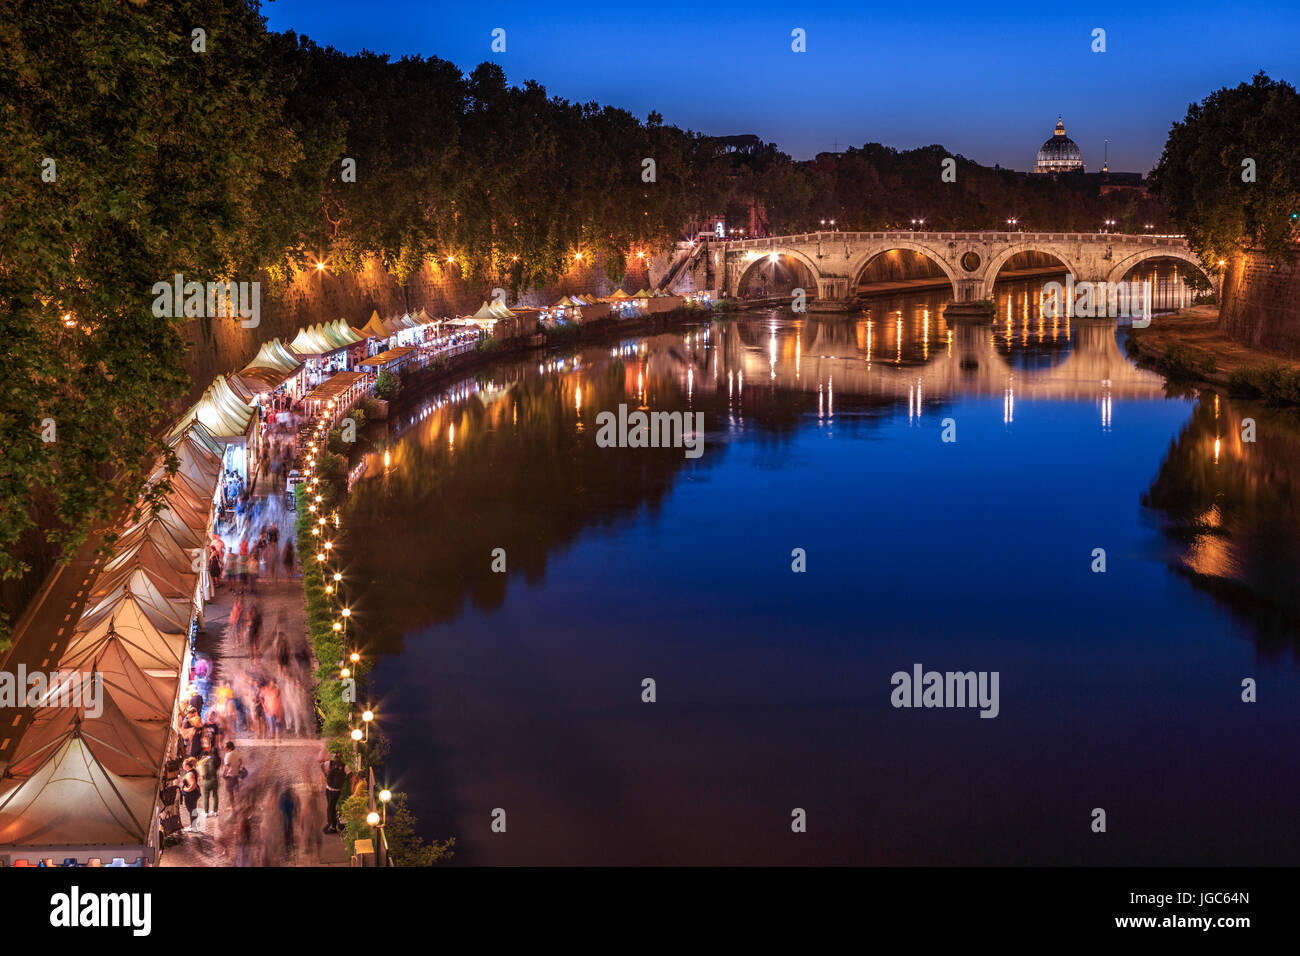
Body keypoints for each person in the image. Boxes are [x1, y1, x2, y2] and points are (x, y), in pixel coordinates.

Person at [321, 754, 348, 833]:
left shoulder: (344, 767)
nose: (337, 758)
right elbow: (322, 765)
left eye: (339, 757)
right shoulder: (330, 763)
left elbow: (350, 776)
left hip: (336, 791)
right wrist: (325, 775)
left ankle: (330, 825)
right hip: (328, 789)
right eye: (336, 756)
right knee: (331, 808)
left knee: (330, 807)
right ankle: (332, 825)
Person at [197, 741, 220, 816]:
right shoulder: (218, 760)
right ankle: (215, 811)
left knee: (206, 797)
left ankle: (206, 812)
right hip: (215, 780)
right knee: (215, 795)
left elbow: (199, 765)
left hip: (207, 780)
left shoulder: (207, 759)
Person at [220, 740, 244, 810]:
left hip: (230, 775)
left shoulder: (228, 755)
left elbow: (226, 766)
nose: (225, 749)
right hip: (236, 774)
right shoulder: (237, 753)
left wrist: (224, 774)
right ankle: (239, 804)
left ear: (229, 748)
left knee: (230, 791)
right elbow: (240, 762)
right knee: (236, 790)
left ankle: (232, 806)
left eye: (226, 747)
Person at [180, 758, 201, 831]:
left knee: (191, 810)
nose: (182, 766)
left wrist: (186, 789)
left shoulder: (189, 774)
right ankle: (193, 825)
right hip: (194, 794)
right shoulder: (193, 771)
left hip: (191, 795)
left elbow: (193, 785)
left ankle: (193, 827)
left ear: (187, 766)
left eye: (183, 765)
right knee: (193, 809)